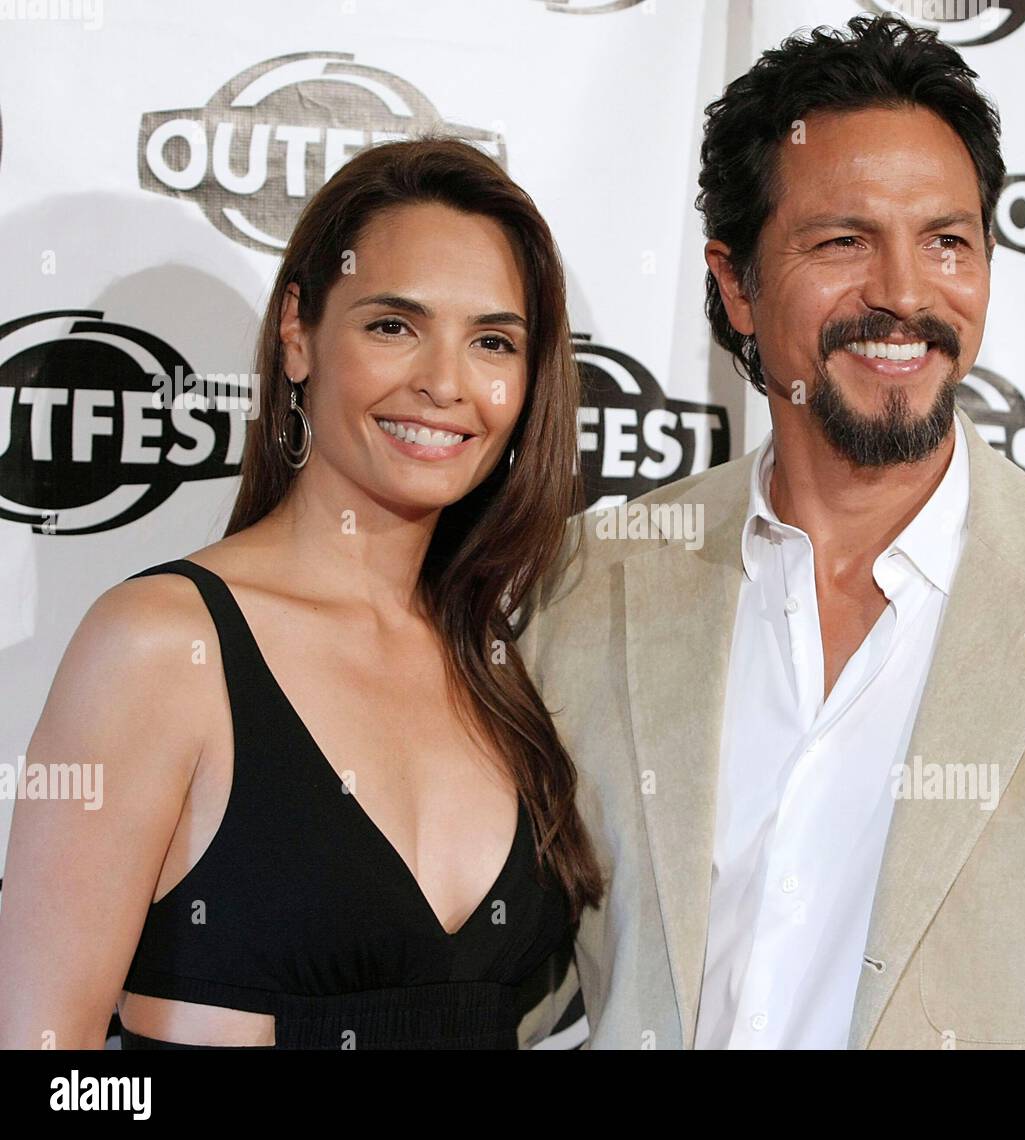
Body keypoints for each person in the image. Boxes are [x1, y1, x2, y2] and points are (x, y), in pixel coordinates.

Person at [515, 14, 1025, 1049]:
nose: (905, 295)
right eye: (842, 242)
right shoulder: (592, 586)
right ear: (734, 283)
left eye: (947, 242)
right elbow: (496, 981)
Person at [0, 136, 602, 1049]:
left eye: (491, 341)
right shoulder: (162, 645)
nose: (445, 384)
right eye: (393, 326)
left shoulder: (495, 662)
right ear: (297, 335)